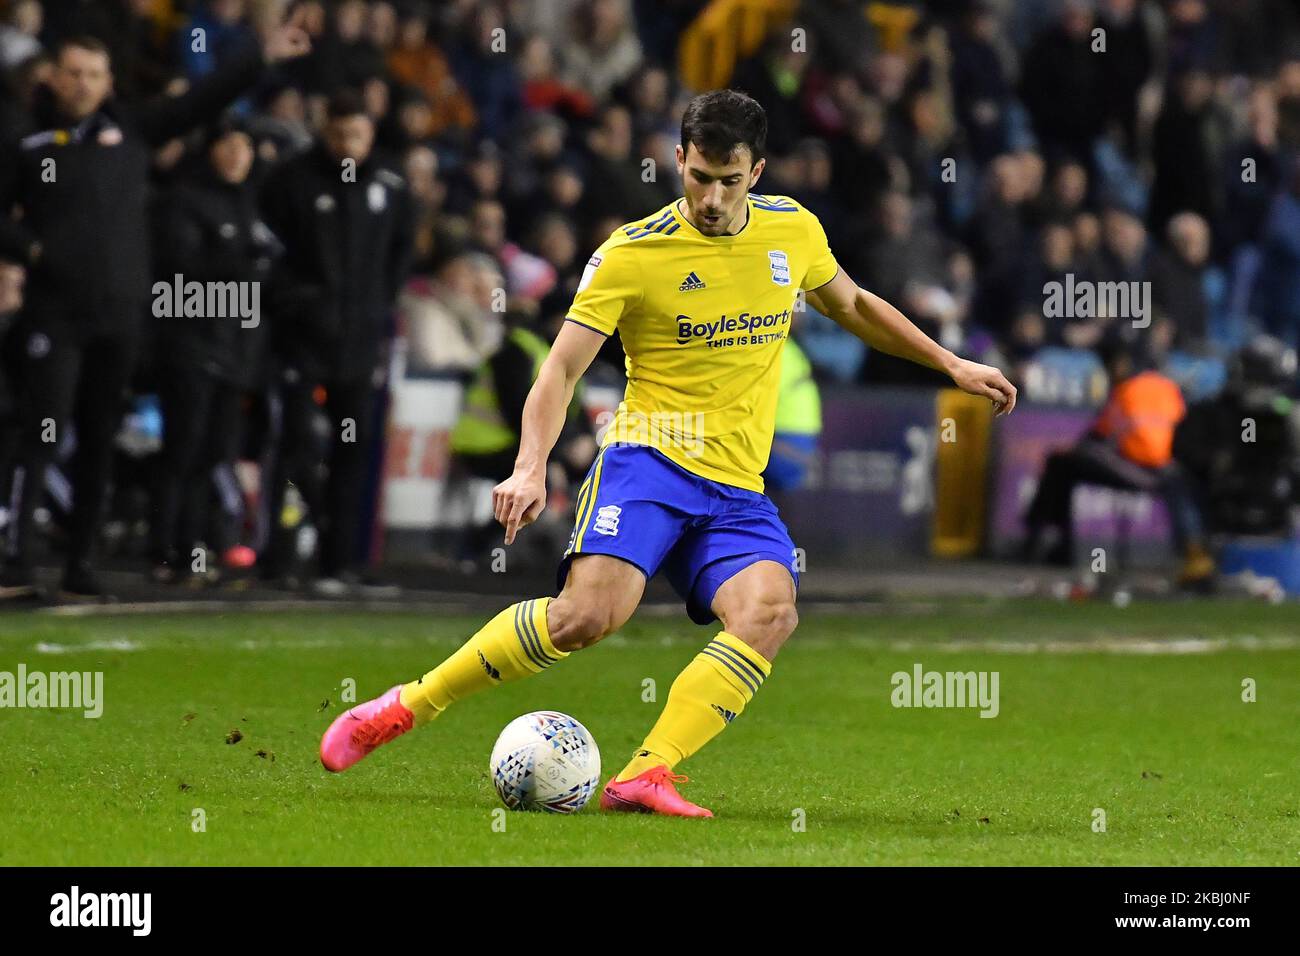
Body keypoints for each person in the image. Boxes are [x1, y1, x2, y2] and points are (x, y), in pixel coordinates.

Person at [319, 90, 1017, 816]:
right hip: (649, 463)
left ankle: (646, 774)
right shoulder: (632, 253)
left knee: (771, 612)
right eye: (699, 176)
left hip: (735, 489)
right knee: (584, 618)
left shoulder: (793, 232)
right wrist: (530, 465)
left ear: (759, 171)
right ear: (678, 160)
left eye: (731, 180)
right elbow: (559, 369)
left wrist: (953, 365)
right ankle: (406, 706)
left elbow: (857, 306)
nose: (712, 197)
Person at [0, 15, 311, 600]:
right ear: (55, 78)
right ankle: (13, 564)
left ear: (110, 80)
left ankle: (79, 565)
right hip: (53, 316)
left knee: (97, 441)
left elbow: (200, 101)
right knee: (38, 438)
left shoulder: (132, 132)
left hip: (119, 320)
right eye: (74, 73)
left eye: (95, 74)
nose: (85, 84)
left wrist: (257, 58)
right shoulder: (24, 139)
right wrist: (32, 249)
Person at [258, 90, 414, 594]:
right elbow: (267, 254)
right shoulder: (290, 183)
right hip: (300, 343)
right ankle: (279, 558)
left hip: (358, 345)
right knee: (295, 450)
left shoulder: (390, 185)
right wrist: (299, 304)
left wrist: (376, 311)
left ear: (371, 135)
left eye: (358, 134)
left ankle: (338, 563)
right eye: (340, 133)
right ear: (325, 131)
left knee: (354, 451)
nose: (349, 145)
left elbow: (400, 254)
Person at [150, 118, 278, 583]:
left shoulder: (251, 205)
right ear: (209, 151)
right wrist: (246, 265)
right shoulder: (185, 202)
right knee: (182, 450)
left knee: (213, 455)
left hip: (236, 352)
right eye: (228, 145)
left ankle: (193, 547)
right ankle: (164, 551)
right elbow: (179, 274)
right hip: (191, 345)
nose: (237, 155)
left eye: (245, 146)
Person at [1023, 333, 1213, 584]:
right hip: (1173, 470)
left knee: (1063, 462)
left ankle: (1044, 539)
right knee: (1065, 462)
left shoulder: (1126, 391)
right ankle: (1195, 554)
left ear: (1120, 363)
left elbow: (1097, 438)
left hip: (1146, 469)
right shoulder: (1168, 388)